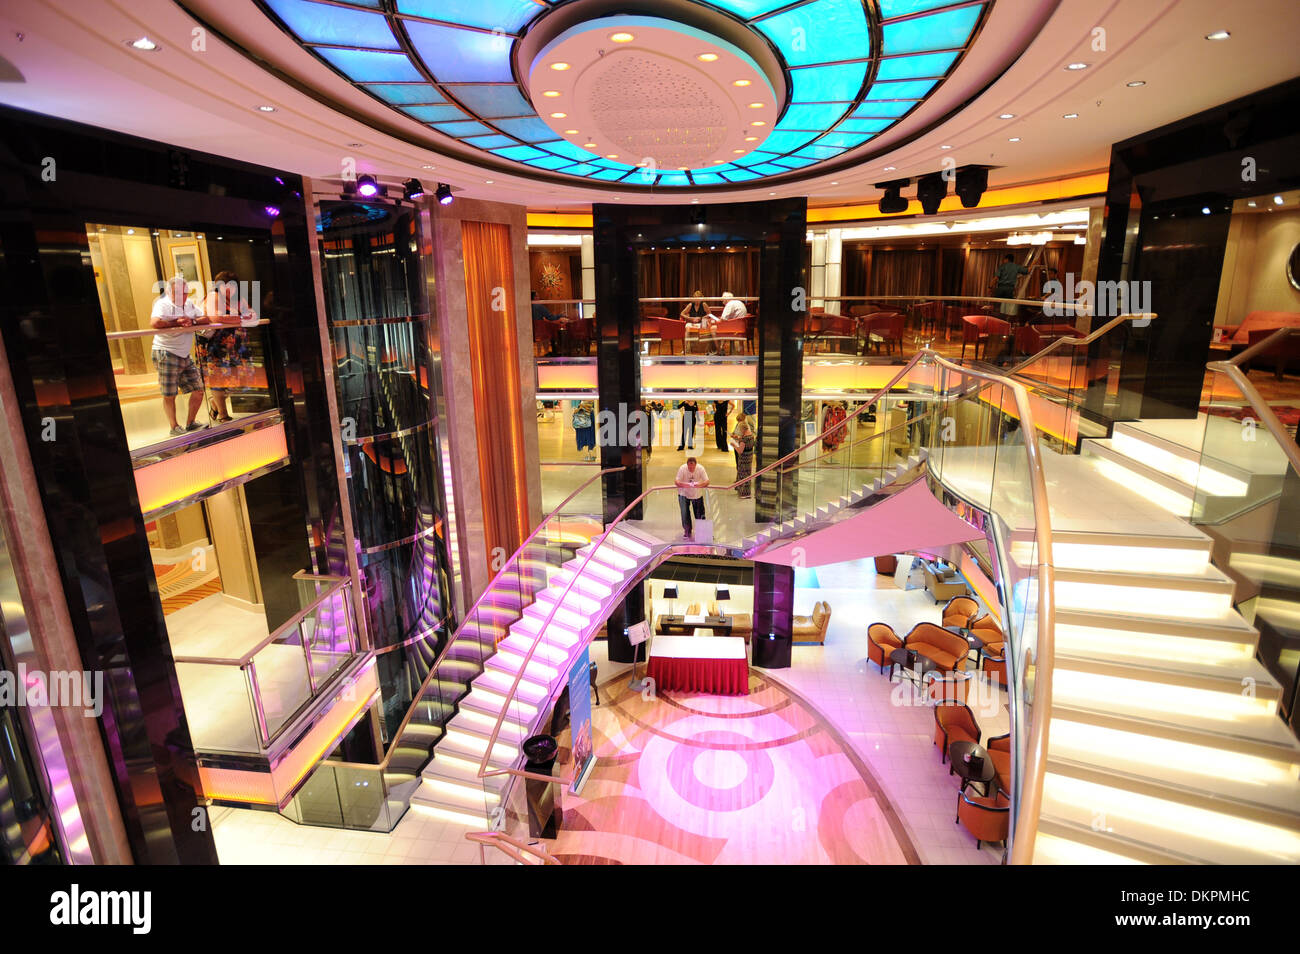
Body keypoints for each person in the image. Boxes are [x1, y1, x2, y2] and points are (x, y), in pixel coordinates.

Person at [151, 274, 211, 436]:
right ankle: (174, 426)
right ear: (170, 292)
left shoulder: (189, 304)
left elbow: (206, 318)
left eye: (185, 292)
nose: (183, 296)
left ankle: (191, 423)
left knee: (198, 389)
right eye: (179, 293)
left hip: (184, 354)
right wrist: (176, 322)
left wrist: (193, 322)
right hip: (166, 352)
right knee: (170, 393)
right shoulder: (162, 304)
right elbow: (155, 323)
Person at [201, 270, 257, 423]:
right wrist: (240, 317)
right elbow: (216, 317)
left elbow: (253, 315)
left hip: (239, 344)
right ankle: (223, 414)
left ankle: (215, 404)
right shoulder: (213, 297)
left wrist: (232, 318)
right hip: (218, 345)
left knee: (241, 379)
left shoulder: (238, 299)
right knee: (218, 379)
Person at [675, 456, 710, 539]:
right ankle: (687, 531)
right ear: (687, 465)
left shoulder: (700, 468)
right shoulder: (682, 468)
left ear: (696, 465)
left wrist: (699, 485)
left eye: (692, 467)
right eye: (689, 467)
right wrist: (685, 485)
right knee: (685, 514)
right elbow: (676, 481)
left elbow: (707, 481)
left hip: (697, 494)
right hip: (683, 494)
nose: (691, 469)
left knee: (699, 513)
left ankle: (701, 531)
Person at [729, 411, 755, 498]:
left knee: (743, 475)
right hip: (749, 458)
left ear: (743, 429)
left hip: (744, 459)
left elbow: (740, 450)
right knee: (747, 475)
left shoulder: (744, 439)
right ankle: (746, 492)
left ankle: (744, 493)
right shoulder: (751, 436)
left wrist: (734, 445)